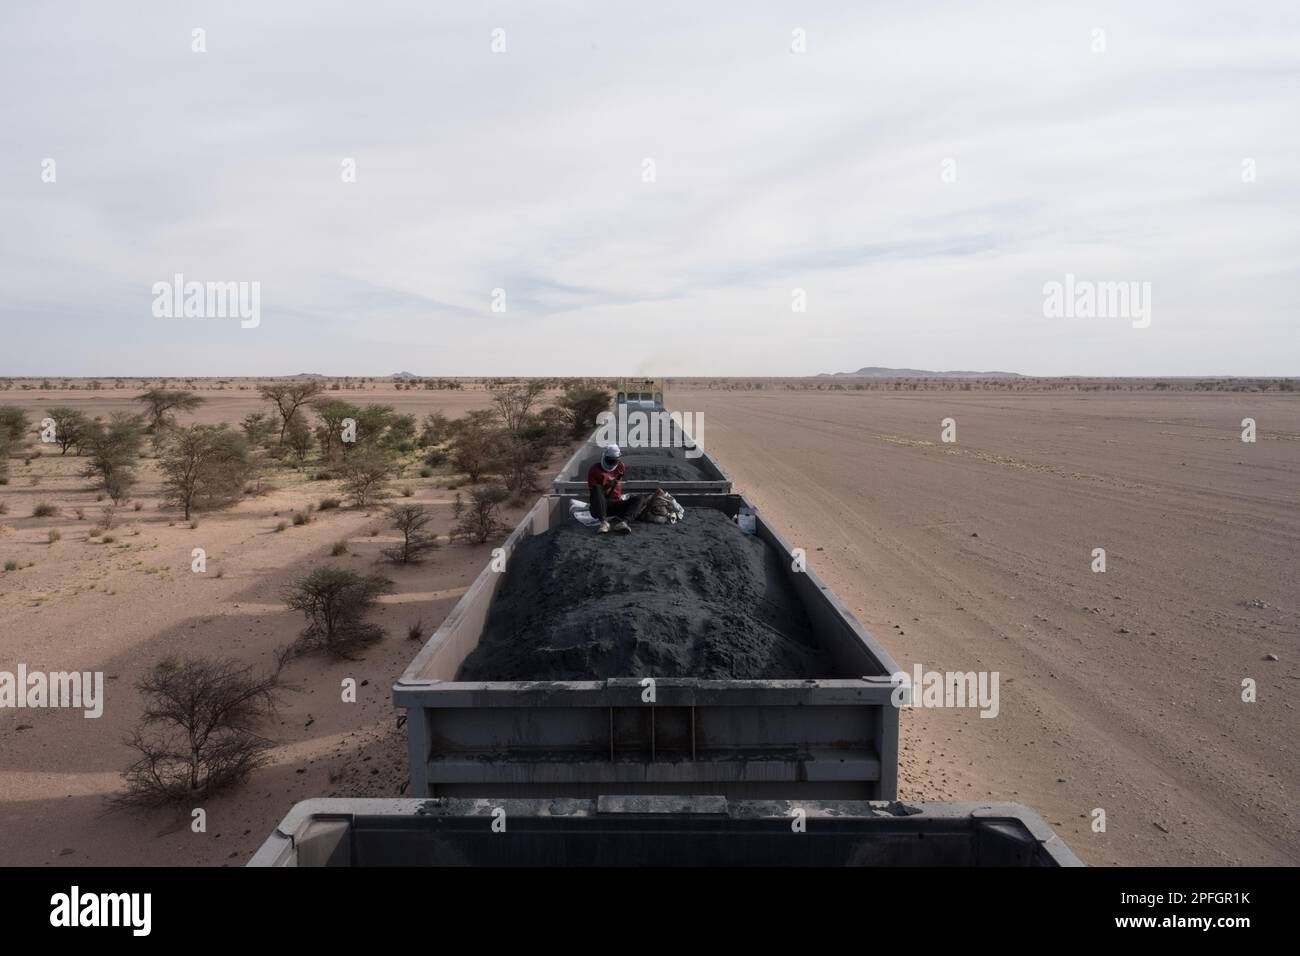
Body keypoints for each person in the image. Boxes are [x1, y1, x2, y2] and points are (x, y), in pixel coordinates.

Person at [587, 443, 648, 534]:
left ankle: (624, 523)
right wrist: (609, 485)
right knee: (597, 487)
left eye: (614, 461)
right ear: (604, 457)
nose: (612, 464)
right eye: (609, 461)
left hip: (616, 504)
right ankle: (604, 523)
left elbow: (618, 480)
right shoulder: (594, 469)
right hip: (601, 505)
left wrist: (615, 483)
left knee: (640, 498)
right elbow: (594, 493)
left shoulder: (620, 467)